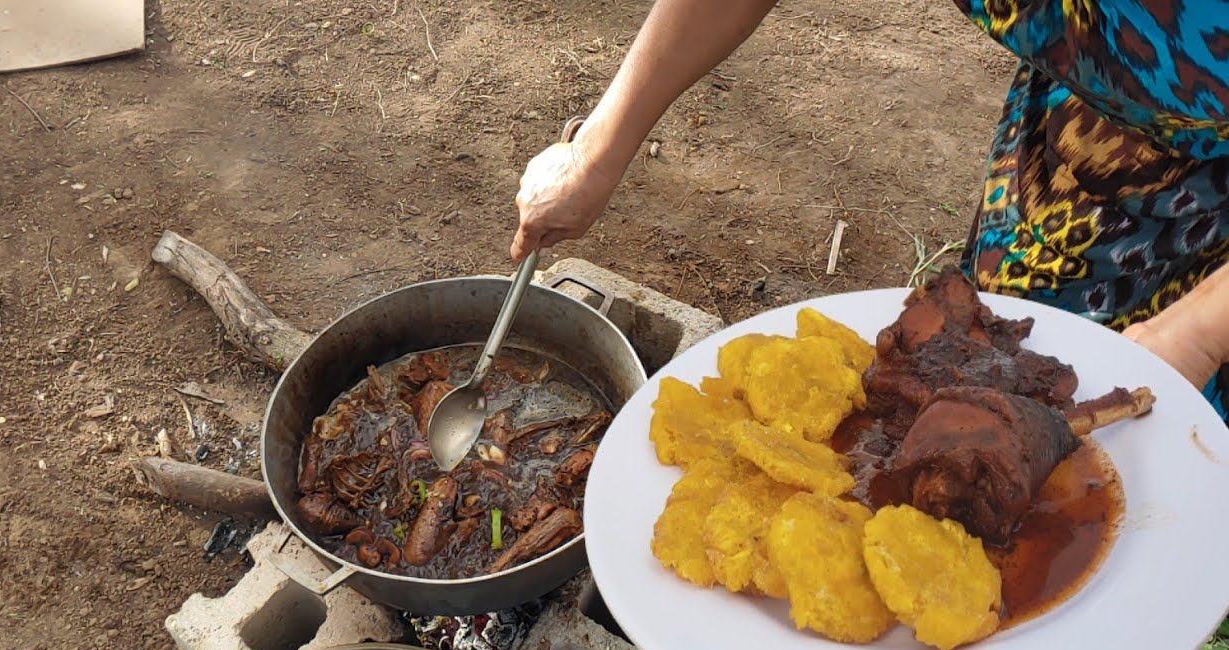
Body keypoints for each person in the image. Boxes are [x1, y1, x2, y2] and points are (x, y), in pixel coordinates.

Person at [509, 0, 1229, 426]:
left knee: (1151, 465)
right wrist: (597, 152)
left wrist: (1192, 338)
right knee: (997, 381)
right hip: (1086, 131)